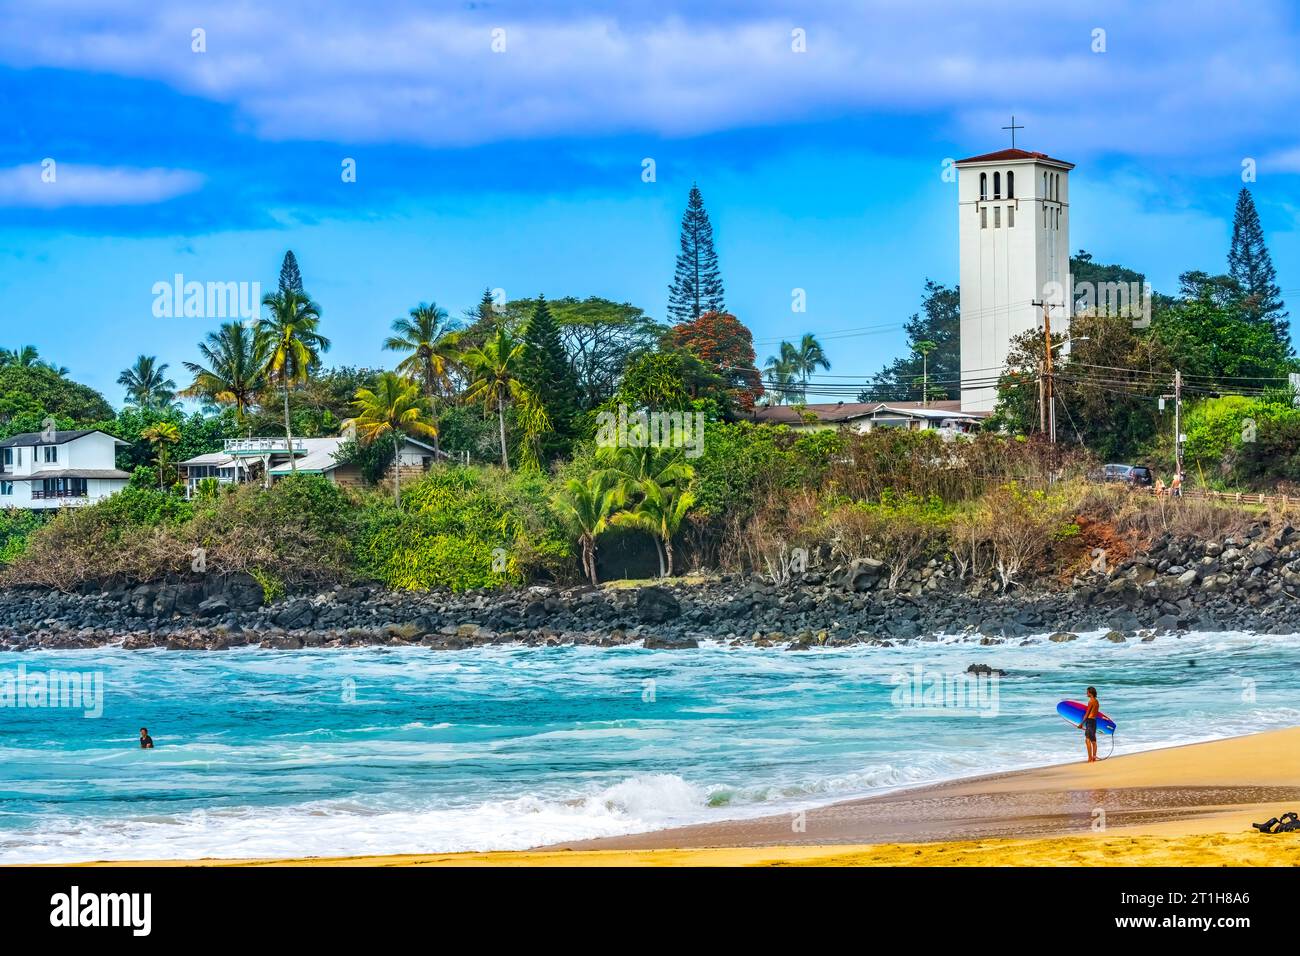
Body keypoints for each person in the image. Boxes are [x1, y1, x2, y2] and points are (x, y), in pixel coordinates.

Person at [1077, 688, 1100, 763]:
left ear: (1091, 693)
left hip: (1089, 721)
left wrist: (1081, 724)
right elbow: (1096, 713)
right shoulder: (1097, 701)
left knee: (1087, 739)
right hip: (1094, 721)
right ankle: (1094, 757)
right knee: (1094, 740)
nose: (1086, 693)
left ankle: (1090, 758)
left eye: (1087, 692)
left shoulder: (1091, 701)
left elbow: (1087, 714)